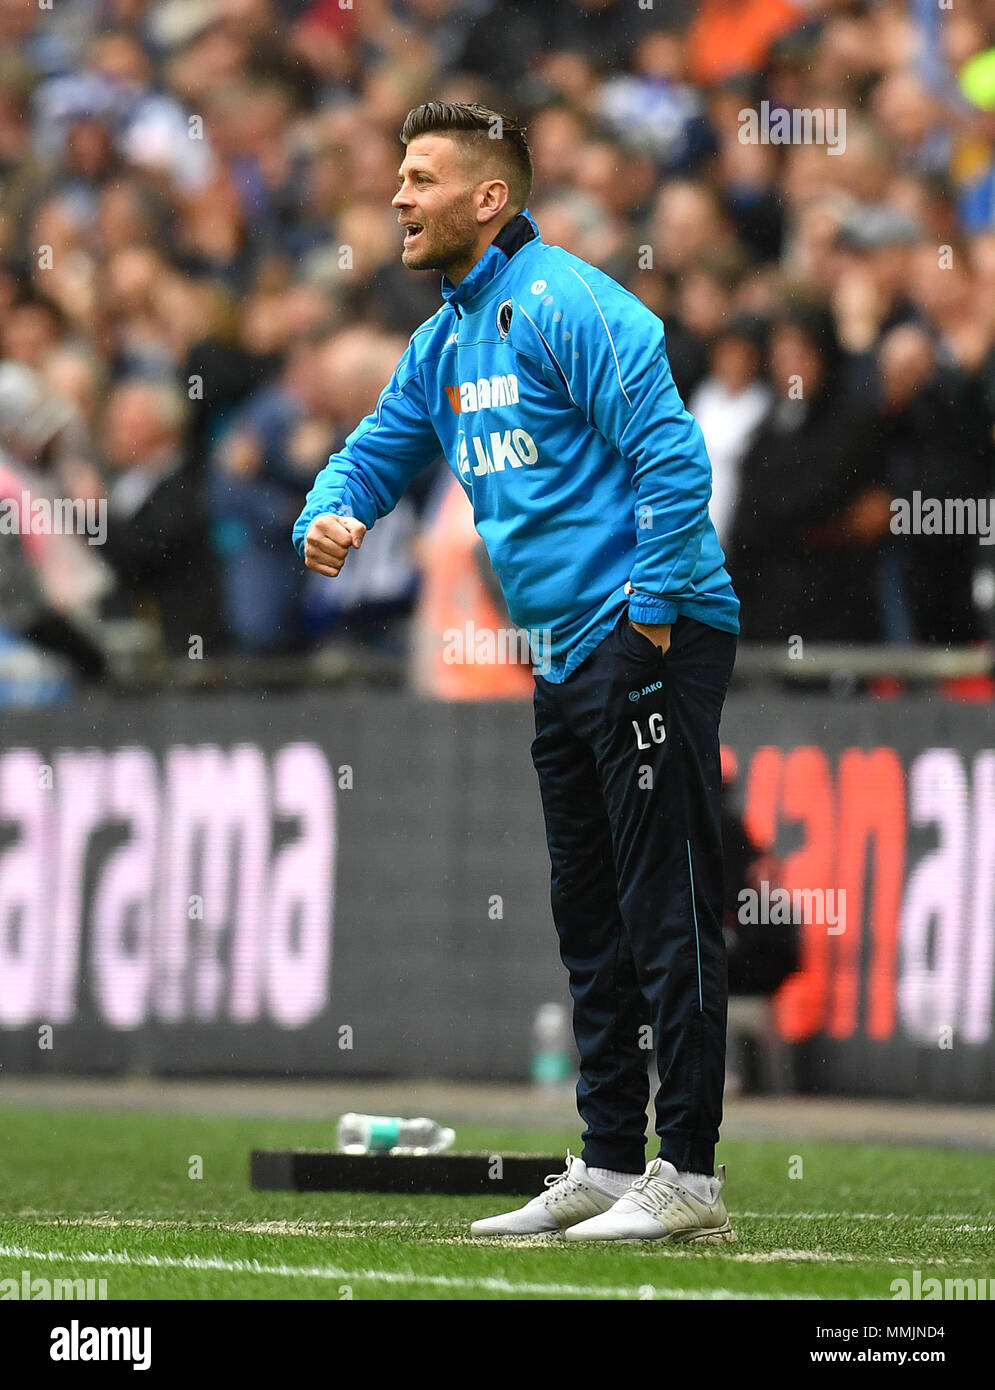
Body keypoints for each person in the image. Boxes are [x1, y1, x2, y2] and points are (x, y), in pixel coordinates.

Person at [293, 102, 740, 1244]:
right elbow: (376, 446)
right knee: (586, 913)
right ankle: (601, 1158)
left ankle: (684, 1171)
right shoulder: (444, 340)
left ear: (487, 197)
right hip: (558, 654)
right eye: (396, 176)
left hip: (645, 634)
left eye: (420, 177)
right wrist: (330, 508)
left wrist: (644, 623)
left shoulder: (565, 303)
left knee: (666, 905)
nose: (396, 196)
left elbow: (670, 459)